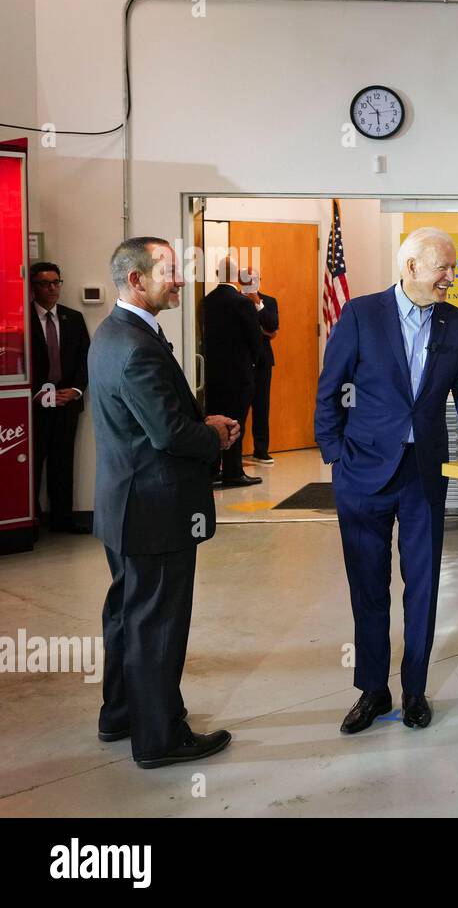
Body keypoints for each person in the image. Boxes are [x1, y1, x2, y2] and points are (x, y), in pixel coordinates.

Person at [315, 227, 458, 734]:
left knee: (424, 585)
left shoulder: (455, 322)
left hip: (421, 474)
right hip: (362, 472)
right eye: (443, 268)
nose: (452, 277)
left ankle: (414, 690)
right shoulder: (362, 314)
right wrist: (335, 453)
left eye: (453, 267)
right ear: (411, 267)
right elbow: (330, 388)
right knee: (368, 585)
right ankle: (372, 689)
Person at [89, 237, 241, 768]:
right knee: (158, 626)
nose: (180, 279)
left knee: (128, 616)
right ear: (136, 279)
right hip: (154, 512)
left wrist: (198, 426)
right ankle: (160, 739)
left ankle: (122, 714)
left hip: (125, 507)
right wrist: (215, 435)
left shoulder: (113, 334)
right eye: (169, 271)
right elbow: (169, 433)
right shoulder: (135, 348)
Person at [29, 262, 91, 534]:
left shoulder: (73, 318)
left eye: (56, 282)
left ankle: (62, 519)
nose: (52, 288)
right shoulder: (23, 319)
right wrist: (36, 393)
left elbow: (85, 359)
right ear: (33, 286)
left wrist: (76, 390)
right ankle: (30, 520)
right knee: (32, 463)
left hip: (67, 403)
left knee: (62, 463)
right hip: (35, 405)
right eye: (45, 283)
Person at [203, 259, 263, 487]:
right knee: (237, 421)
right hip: (239, 374)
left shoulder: (205, 301)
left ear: (217, 274)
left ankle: (212, 468)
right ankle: (233, 471)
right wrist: (252, 364)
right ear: (236, 275)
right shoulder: (242, 302)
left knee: (214, 419)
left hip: (211, 374)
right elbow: (254, 339)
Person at [248, 275, 278, 465]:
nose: (252, 281)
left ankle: (261, 450)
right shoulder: (236, 301)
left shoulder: (269, 301)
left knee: (262, 405)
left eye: (255, 278)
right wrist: (263, 330)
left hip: (263, 361)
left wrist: (258, 303)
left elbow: (273, 327)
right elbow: (265, 331)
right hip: (241, 360)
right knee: (239, 407)